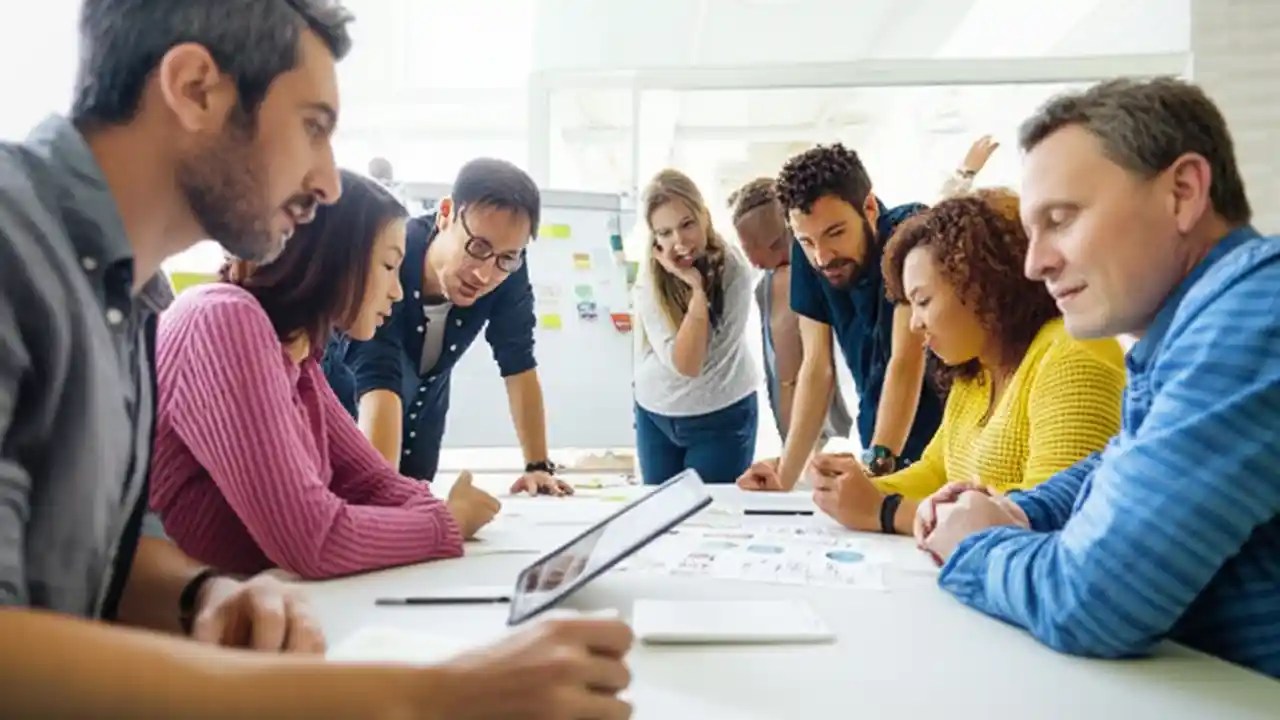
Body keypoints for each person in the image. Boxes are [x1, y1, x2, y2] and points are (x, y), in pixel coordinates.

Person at [0, 2, 633, 717]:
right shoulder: (17, 250)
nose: (330, 183)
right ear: (194, 88)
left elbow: (103, 550)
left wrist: (202, 594)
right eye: (313, 128)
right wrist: (424, 696)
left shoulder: (127, 293)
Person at [916, 77, 1280, 679]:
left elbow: (1093, 599)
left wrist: (973, 543)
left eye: (1060, 219)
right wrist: (1017, 511)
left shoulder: (1254, 316)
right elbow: (1130, 458)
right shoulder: (1200, 324)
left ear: (1183, 193)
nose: (1036, 263)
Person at [149, 170, 501, 580]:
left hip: (251, 604)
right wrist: (448, 523)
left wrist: (434, 512)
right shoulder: (223, 318)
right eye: (389, 266)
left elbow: (374, 484)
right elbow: (315, 540)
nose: (397, 291)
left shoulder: (297, 358)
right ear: (336, 257)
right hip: (177, 624)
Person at [808, 191, 1125, 534]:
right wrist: (851, 488)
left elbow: (1045, 524)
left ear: (978, 284)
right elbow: (935, 472)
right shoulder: (974, 374)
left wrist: (886, 511)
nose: (915, 324)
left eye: (923, 301)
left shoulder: (1072, 354)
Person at [328, 158, 573, 497]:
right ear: (446, 214)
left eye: (506, 258)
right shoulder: (394, 255)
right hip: (348, 430)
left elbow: (518, 360)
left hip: (422, 428)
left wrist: (537, 466)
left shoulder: (507, 268)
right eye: (478, 247)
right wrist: (385, 499)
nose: (485, 274)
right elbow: (377, 374)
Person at [737, 143, 943, 492]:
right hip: (876, 430)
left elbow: (906, 360)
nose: (823, 256)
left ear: (869, 208)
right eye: (806, 240)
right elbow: (817, 368)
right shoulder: (811, 256)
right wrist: (785, 475)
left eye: (836, 233)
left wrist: (877, 471)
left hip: (937, 440)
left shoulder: (910, 235)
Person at [633, 169, 759, 484]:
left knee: (712, 519)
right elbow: (673, 357)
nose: (678, 242)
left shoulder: (734, 272)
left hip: (720, 417)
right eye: (664, 233)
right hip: (655, 414)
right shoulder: (651, 273)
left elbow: (690, 364)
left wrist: (697, 291)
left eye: (687, 224)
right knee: (658, 518)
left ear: (704, 215)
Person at [729, 177, 853, 449]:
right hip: (830, 421)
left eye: (748, 248)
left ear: (772, 242)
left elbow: (787, 373)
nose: (749, 260)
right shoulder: (816, 272)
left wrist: (792, 444)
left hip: (810, 427)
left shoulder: (783, 280)